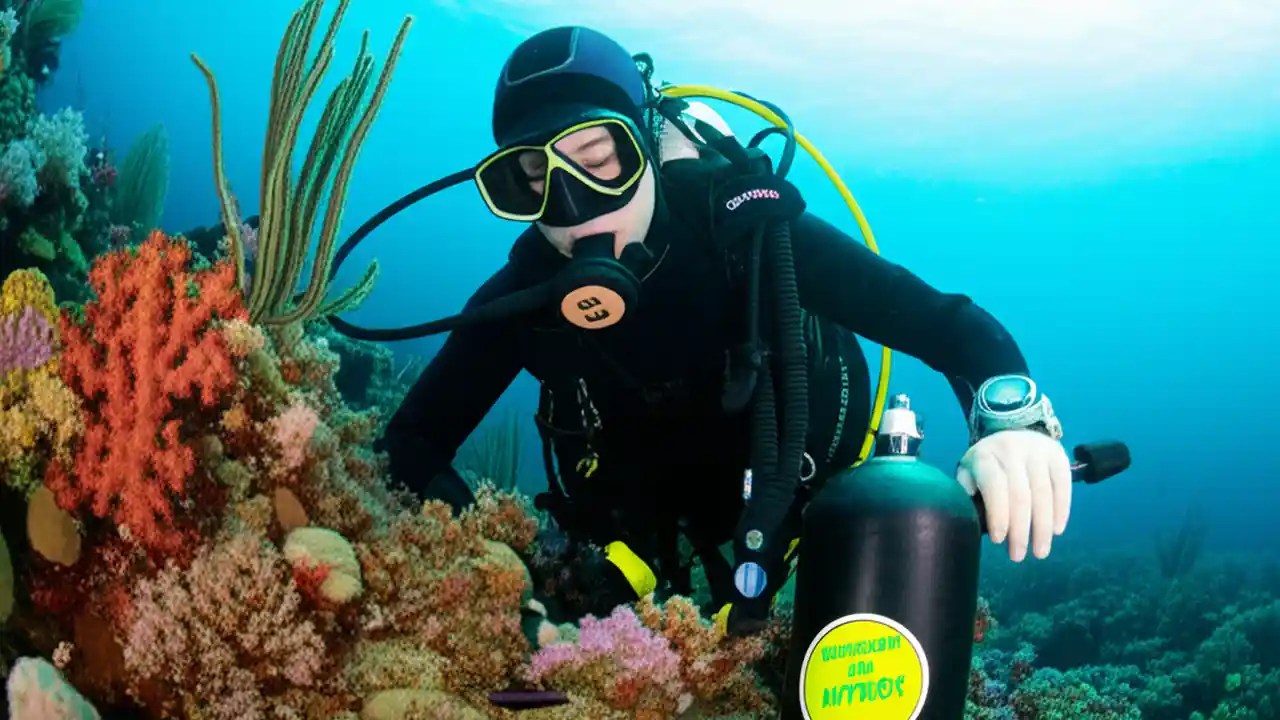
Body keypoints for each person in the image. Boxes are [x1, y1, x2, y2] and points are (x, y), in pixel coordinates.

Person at [377, 26, 1074, 637]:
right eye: (531, 178)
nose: (574, 208)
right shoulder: (526, 296)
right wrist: (497, 571)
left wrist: (1010, 419)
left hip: (799, 482)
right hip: (643, 513)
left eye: (599, 159)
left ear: (646, 142)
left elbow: (945, 322)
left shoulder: (745, 234)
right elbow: (411, 440)